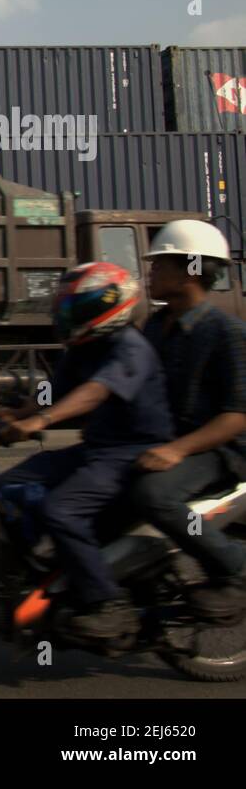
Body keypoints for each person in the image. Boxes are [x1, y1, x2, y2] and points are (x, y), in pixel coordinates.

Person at [0, 262, 174, 639]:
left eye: (75, 307)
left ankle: (106, 603)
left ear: (104, 307)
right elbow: (53, 391)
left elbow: (95, 391)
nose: (65, 314)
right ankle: (34, 575)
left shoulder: (129, 347)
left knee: (62, 510)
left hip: (131, 454)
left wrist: (41, 422)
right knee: (5, 487)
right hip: (96, 450)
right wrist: (13, 413)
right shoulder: (83, 346)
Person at [131, 220, 246, 621]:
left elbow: (237, 416)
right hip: (165, 440)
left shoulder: (226, 333)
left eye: (160, 265)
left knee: (154, 495)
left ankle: (234, 569)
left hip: (218, 450)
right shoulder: (154, 329)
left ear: (191, 270)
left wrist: (176, 449)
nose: (150, 273)